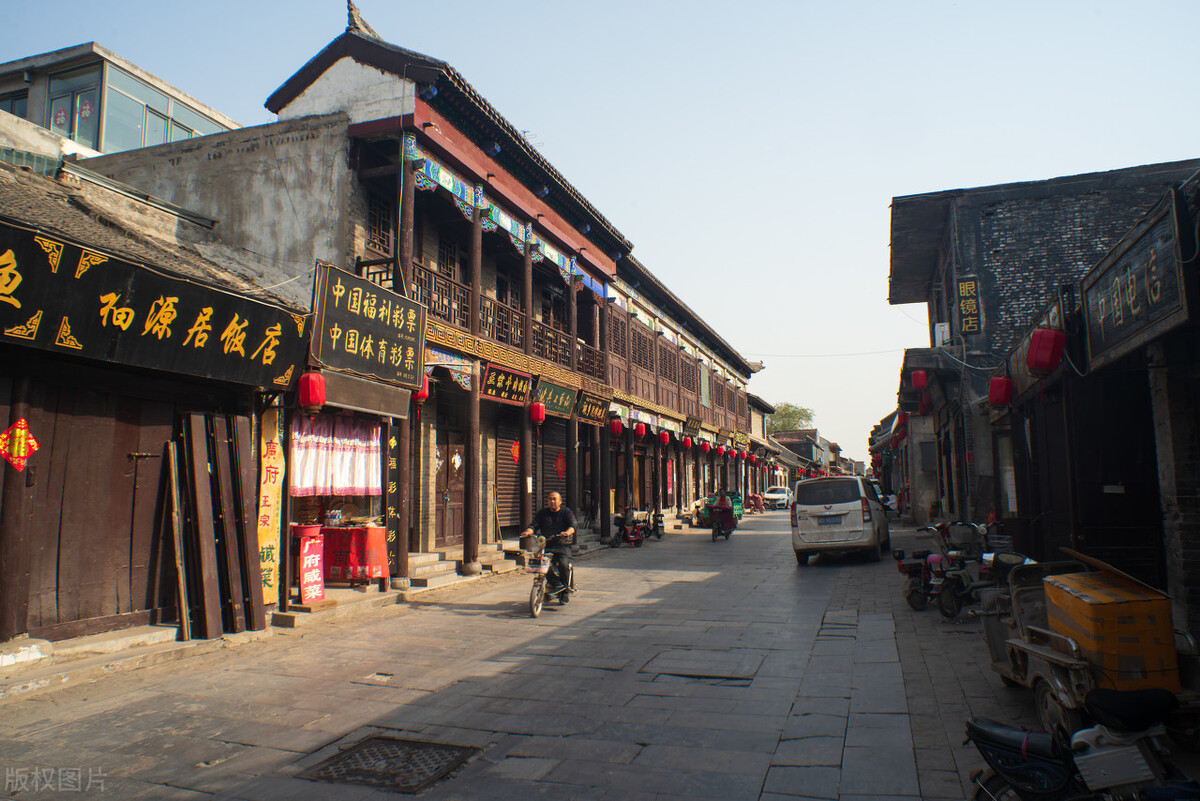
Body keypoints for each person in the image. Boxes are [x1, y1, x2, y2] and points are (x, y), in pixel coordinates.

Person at [520, 491, 576, 603]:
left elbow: (573, 525)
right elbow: (533, 525)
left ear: (560, 501)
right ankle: (556, 584)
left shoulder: (566, 512)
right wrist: (529, 532)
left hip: (562, 545)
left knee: (563, 565)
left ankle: (565, 591)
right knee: (540, 564)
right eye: (550, 499)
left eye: (554, 499)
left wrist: (567, 533)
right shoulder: (542, 514)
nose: (552, 501)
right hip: (547, 545)